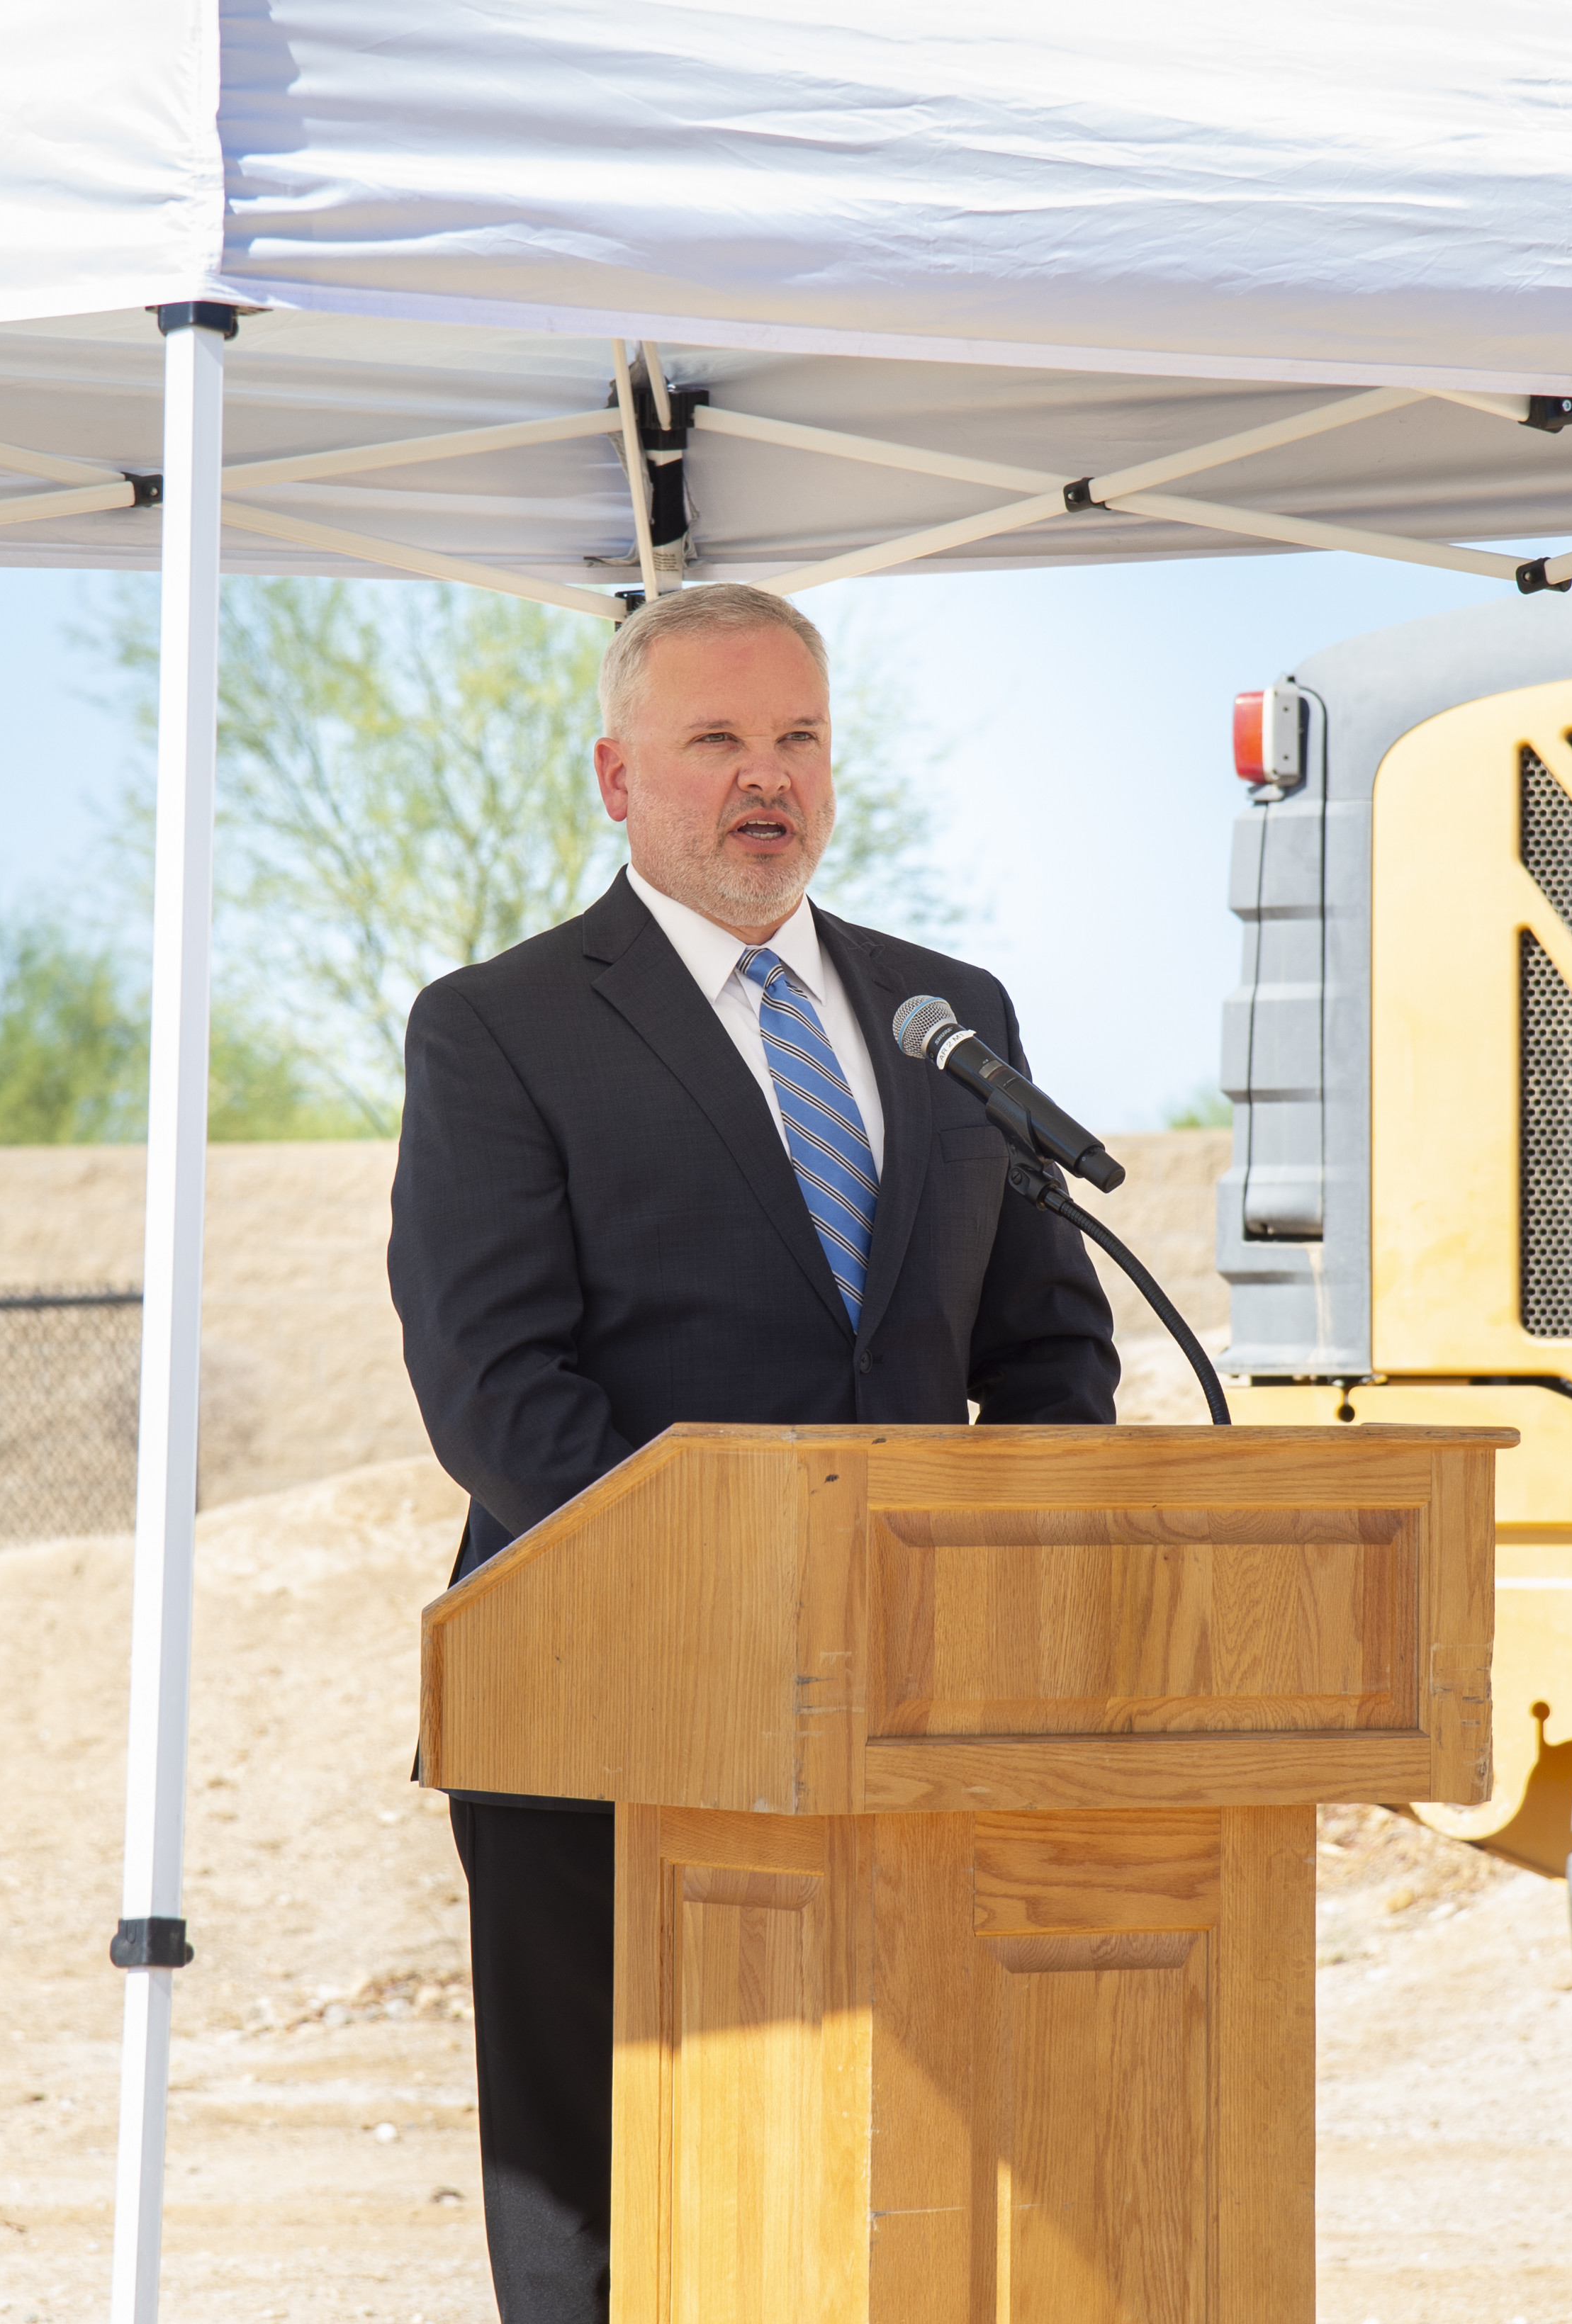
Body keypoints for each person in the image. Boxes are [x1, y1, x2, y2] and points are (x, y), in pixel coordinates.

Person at [386, 582, 1121, 2322]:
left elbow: (1046, 1346)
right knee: (612, 2188)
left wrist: (1008, 1591)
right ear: (616, 776)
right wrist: (743, 1589)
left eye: (795, 737)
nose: (761, 777)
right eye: (714, 739)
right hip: (601, 1690)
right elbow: (497, 1386)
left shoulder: (951, 1015)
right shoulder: (498, 1030)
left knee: (882, 2169)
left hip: (909, 1700)